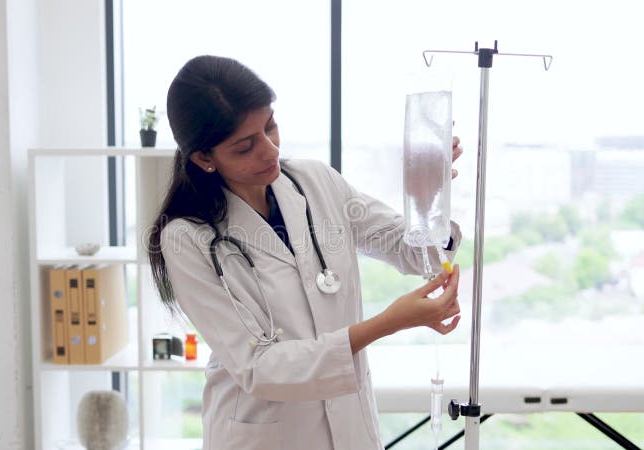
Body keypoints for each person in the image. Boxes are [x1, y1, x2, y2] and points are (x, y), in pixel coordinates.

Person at [147, 55, 463, 450]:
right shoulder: (188, 239)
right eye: (245, 147)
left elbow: (414, 253)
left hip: (349, 426)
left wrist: (427, 197)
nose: (269, 151)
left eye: (270, 126)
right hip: (264, 435)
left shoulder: (315, 181)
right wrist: (387, 323)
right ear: (204, 158)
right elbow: (258, 366)